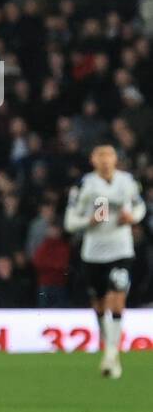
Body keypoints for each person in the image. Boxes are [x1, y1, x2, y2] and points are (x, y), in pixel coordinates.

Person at [63, 144, 146, 378]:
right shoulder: (85, 185)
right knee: (99, 304)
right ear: (93, 160)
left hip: (121, 250)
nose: (105, 160)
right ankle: (109, 348)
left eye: (109, 155)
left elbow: (139, 206)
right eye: (100, 155)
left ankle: (111, 354)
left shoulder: (128, 181)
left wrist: (132, 217)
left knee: (117, 296)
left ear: (115, 159)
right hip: (93, 253)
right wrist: (88, 222)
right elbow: (69, 222)